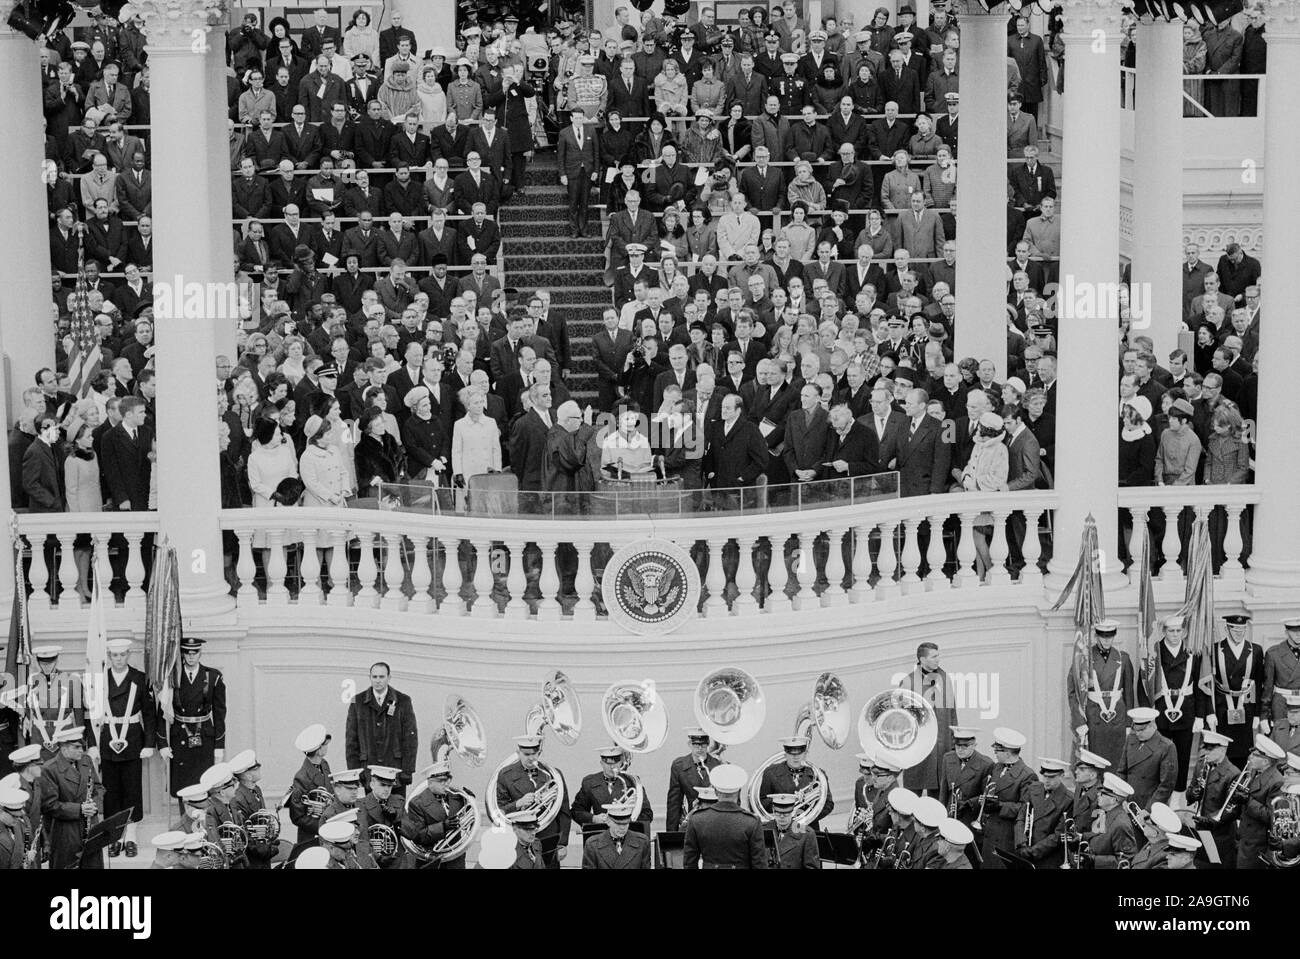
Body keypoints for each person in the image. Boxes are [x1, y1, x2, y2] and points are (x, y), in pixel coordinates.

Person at [97, 638, 157, 859]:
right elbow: (90, 715)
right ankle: (115, 837)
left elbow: (150, 714)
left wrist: (149, 743)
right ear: (109, 656)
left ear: (128, 655)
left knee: (132, 789)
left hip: (132, 739)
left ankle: (130, 837)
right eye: (115, 655)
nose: (119, 659)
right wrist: (93, 745)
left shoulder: (140, 679)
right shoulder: (100, 679)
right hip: (108, 740)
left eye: (123, 655)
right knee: (111, 791)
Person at [160, 637, 226, 813]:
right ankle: (186, 823)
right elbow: (162, 712)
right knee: (184, 785)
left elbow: (220, 714)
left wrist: (219, 746)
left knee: (204, 782)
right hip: (180, 737)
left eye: (194, 652)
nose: (190, 657)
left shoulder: (213, 677)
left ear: (200, 653)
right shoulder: (172, 677)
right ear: (182, 653)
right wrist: (163, 744)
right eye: (187, 653)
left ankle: (205, 825)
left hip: (204, 736)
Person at [494, 734, 571, 867]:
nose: (531, 758)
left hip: (549, 837)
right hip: (520, 840)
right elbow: (499, 811)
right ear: (518, 752)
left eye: (535, 754)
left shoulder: (553, 774)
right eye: (526, 754)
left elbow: (564, 811)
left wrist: (562, 843)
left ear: (540, 752)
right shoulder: (505, 774)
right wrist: (518, 804)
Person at [345, 662, 418, 792]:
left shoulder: (403, 701)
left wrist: (406, 772)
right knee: (371, 811)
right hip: (368, 774)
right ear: (370, 677)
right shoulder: (357, 702)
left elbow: (410, 740)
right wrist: (355, 772)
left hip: (395, 773)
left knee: (396, 810)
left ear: (389, 678)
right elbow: (351, 740)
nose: (378, 681)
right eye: (375, 677)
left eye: (381, 677)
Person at [896, 642, 957, 796]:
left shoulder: (944, 678)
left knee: (939, 794)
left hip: (942, 746)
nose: (938, 659)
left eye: (938, 655)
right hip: (919, 748)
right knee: (911, 795)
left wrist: (955, 739)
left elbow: (952, 712)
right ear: (922, 660)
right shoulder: (908, 682)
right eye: (934, 656)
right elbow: (901, 719)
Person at [40, 726, 104, 869]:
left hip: (90, 825)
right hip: (66, 831)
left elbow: (99, 788)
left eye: (82, 747)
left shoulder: (85, 760)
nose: (81, 751)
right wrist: (80, 809)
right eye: (76, 747)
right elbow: (49, 805)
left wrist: (94, 805)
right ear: (63, 748)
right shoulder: (50, 769)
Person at [683, 764, 766, 868]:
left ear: (716, 792)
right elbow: (759, 864)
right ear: (739, 791)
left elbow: (689, 862)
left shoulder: (697, 819)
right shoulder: (751, 822)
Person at [977, 727, 1034, 869]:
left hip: (1005, 836)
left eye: (997, 750)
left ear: (1008, 753)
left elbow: (1025, 809)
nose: (994, 752)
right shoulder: (996, 767)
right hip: (989, 832)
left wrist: (999, 806)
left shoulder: (1027, 775)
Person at [401, 760, 470, 868]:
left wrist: (470, 802)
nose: (446, 783)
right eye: (441, 781)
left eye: (448, 779)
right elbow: (418, 836)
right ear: (430, 782)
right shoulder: (417, 803)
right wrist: (442, 826)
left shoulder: (457, 797)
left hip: (456, 858)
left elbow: (468, 820)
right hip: (432, 859)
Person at [665, 727, 721, 832]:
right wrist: (671, 833)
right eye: (696, 745)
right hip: (692, 821)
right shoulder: (679, 766)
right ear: (690, 744)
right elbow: (674, 802)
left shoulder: (717, 765)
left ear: (708, 744)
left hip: (714, 822)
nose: (700, 749)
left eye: (703, 745)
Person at [556, 105, 598, 237]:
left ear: (583, 118)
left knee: (585, 203)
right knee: (573, 203)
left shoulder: (591, 131)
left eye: (581, 118)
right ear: (571, 118)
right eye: (576, 118)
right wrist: (562, 174)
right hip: (572, 172)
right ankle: (574, 230)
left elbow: (596, 153)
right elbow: (560, 156)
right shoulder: (564, 133)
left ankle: (584, 230)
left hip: (587, 172)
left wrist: (596, 170)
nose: (579, 120)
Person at [580, 798, 650, 868]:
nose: (622, 828)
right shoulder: (593, 845)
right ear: (608, 822)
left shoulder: (642, 842)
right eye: (618, 824)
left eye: (626, 824)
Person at [766, 792, 820, 868]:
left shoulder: (806, 834)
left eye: (786, 813)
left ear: (793, 812)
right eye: (778, 813)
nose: (782, 817)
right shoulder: (762, 830)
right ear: (773, 811)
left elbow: (812, 866)